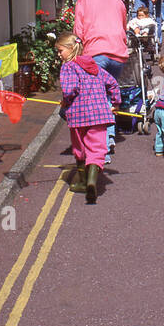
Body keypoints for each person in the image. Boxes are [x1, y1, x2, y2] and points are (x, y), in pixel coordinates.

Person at [56, 32, 120, 203]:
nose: (58, 54)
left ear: (71, 49)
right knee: (97, 148)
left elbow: (70, 89)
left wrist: (65, 100)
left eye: (60, 50)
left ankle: (84, 182)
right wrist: (116, 103)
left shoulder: (68, 66)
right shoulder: (94, 66)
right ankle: (93, 181)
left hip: (78, 114)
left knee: (79, 148)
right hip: (100, 114)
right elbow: (112, 83)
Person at [74, 0, 128, 163]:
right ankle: (110, 137)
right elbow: (123, 26)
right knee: (108, 97)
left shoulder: (84, 1)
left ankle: (102, 147)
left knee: (97, 99)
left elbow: (78, 33)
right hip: (117, 55)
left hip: (95, 54)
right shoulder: (118, 2)